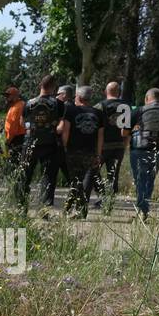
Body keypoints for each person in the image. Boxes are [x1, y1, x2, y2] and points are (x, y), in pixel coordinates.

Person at [17, 74, 65, 209]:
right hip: (50, 144)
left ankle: (22, 206)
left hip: (30, 143)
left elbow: (22, 123)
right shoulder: (58, 103)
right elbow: (61, 126)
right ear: (54, 87)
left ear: (40, 85)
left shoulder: (29, 102)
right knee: (48, 177)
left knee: (25, 176)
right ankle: (45, 208)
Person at [59, 85, 103, 219]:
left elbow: (65, 130)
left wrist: (64, 147)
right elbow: (101, 136)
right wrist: (98, 154)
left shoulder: (71, 110)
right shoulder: (98, 113)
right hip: (90, 151)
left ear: (78, 96)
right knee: (77, 181)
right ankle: (67, 209)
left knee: (76, 181)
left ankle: (81, 211)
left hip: (73, 150)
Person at [131, 87, 159, 220]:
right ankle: (144, 207)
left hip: (140, 150)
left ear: (146, 98)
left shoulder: (139, 110)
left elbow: (124, 132)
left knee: (140, 179)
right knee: (150, 179)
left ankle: (142, 208)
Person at [95, 81, 130, 209]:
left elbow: (97, 127)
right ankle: (109, 201)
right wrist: (125, 145)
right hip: (119, 145)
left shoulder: (100, 106)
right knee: (113, 174)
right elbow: (128, 130)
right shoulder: (127, 106)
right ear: (119, 92)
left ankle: (103, 196)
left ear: (105, 91)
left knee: (93, 171)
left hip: (103, 145)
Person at [3, 86, 26, 164]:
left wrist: (7, 142)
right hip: (21, 138)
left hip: (15, 139)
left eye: (8, 96)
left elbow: (13, 129)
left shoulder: (17, 107)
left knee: (14, 163)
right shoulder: (20, 104)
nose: (6, 98)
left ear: (15, 96)